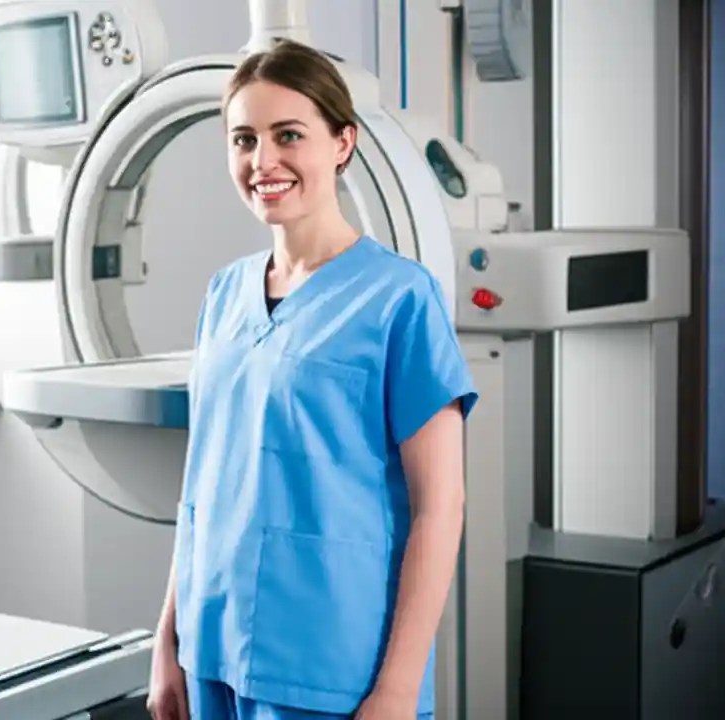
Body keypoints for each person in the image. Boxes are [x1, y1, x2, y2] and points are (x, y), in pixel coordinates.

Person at [145, 39, 478, 720]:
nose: (262, 161)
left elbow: (440, 509)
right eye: (244, 139)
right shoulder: (224, 294)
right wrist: (167, 639)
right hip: (214, 648)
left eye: (288, 135)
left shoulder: (398, 300)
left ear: (342, 143)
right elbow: (201, 485)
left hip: (333, 664)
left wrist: (395, 690)